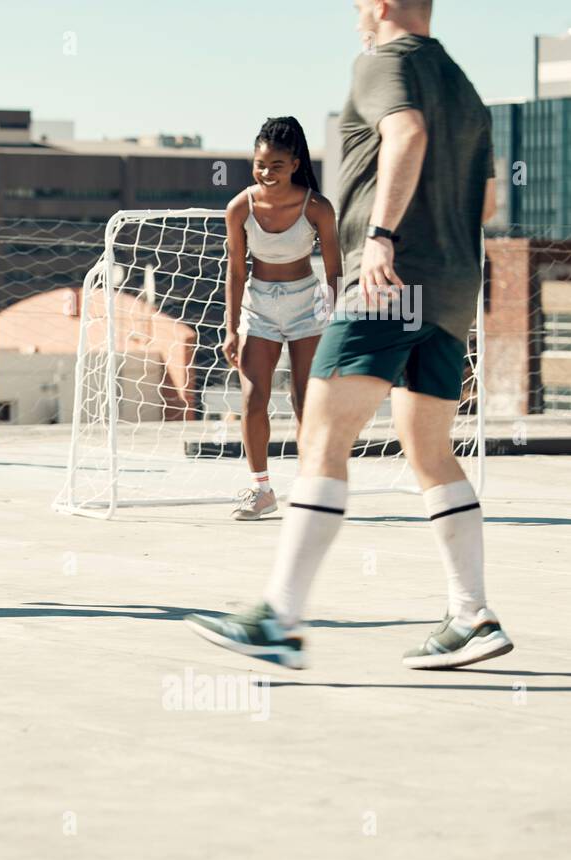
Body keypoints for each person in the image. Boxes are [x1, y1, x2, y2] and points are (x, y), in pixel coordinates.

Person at [185, 0, 509, 670]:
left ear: (382, 5)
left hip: (387, 281)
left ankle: (278, 614)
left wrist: (386, 236)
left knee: (322, 436)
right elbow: (488, 203)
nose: (356, 17)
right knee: (429, 450)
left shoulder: (380, 63)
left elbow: (408, 134)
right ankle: (472, 613)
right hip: (450, 290)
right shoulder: (466, 86)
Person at [222, 117, 340, 520]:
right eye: (259, 164)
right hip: (259, 310)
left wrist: (331, 315)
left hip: (307, 305)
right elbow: (236, 271)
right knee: (253, 399)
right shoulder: (240, 207)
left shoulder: (318, 207)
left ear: (294, 163)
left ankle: (312, 489)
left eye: (275, 165)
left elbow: (334, 269)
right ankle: (262, 491)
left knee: (306, 402)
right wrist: (231, 328)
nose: (266, 173)